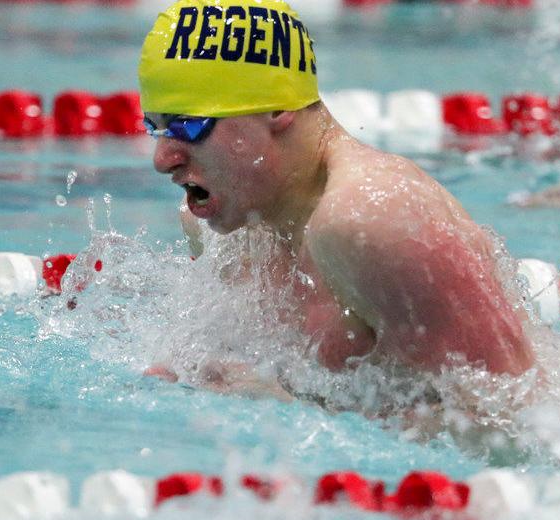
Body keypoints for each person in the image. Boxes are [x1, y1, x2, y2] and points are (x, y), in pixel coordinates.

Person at [138, 0, 535, 405]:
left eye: (187, 125)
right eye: (155, 128)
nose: (163, 159)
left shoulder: (372, 220)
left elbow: (517, 423)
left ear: (276, 107)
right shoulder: (225, 229)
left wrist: (285, 406)